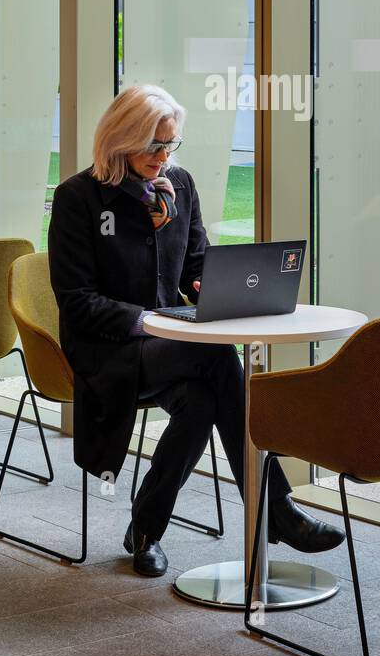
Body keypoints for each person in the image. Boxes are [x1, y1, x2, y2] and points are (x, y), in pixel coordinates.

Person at [47, 83, 345, 576]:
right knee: (217, 358)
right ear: (121, 139)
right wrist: (150, 320)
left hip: (172, 344)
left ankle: (145, 531)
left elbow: (194, 265)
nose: (164, 156)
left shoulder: (179, 186)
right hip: (108, 351)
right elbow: (77, 303)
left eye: (171, 144)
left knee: (202, 401)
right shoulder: (78, 197)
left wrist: (214, 287)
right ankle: (275, 509)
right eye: (154, 145)